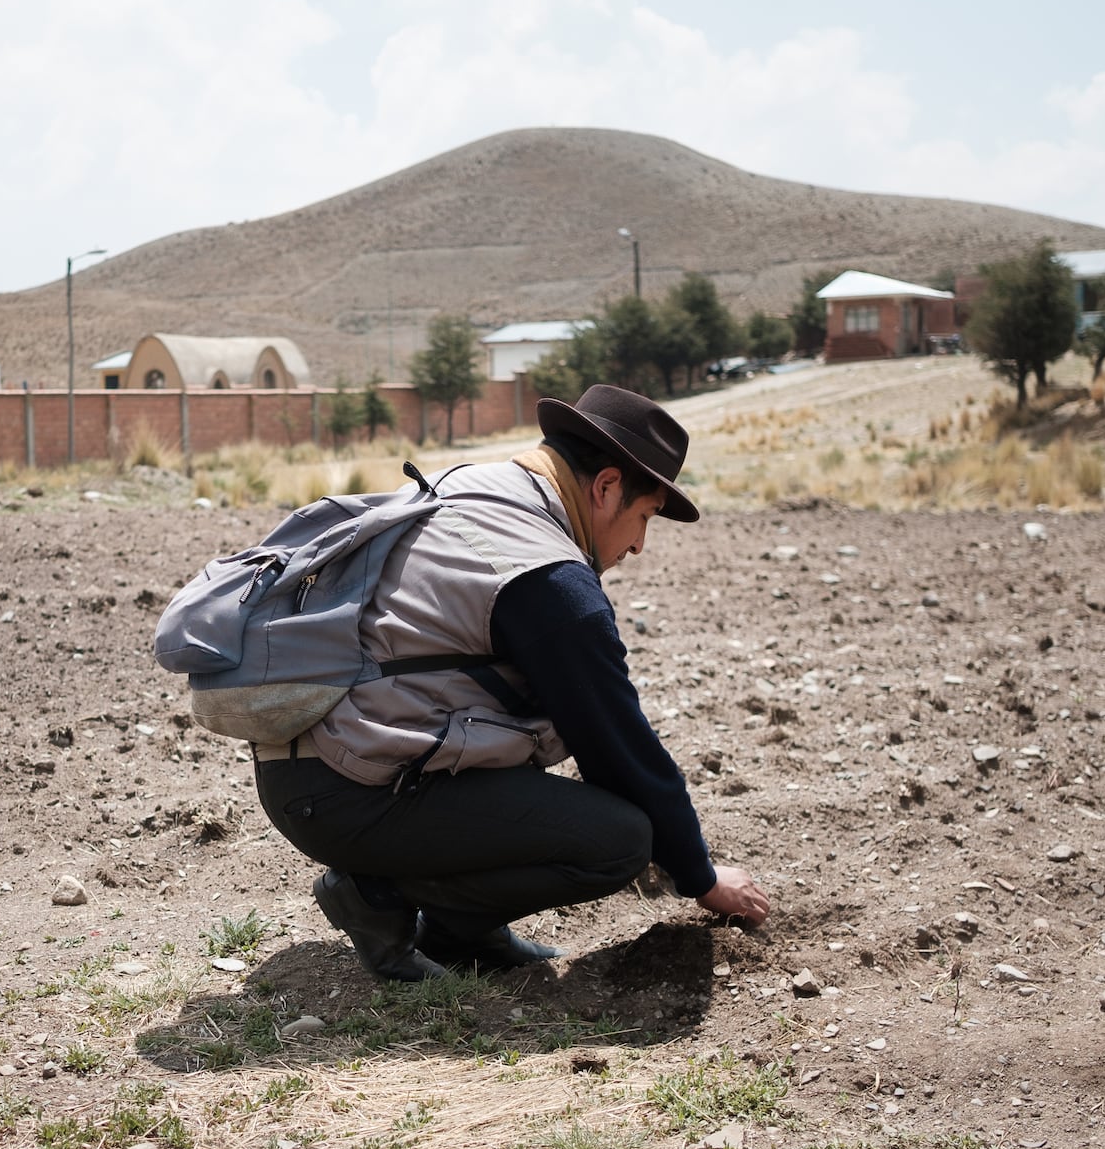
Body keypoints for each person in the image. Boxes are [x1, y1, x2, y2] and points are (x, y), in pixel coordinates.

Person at [251, 384, 771, 980]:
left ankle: (461, 930)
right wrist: (701, 877)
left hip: (309, 763)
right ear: (605, 487)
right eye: (644, 517)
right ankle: (380, 894)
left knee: (523, 739)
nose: (638, 546)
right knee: (620, 840)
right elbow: (619, 749)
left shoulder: (471, 484)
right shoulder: (546, 578)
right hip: (344, 789)